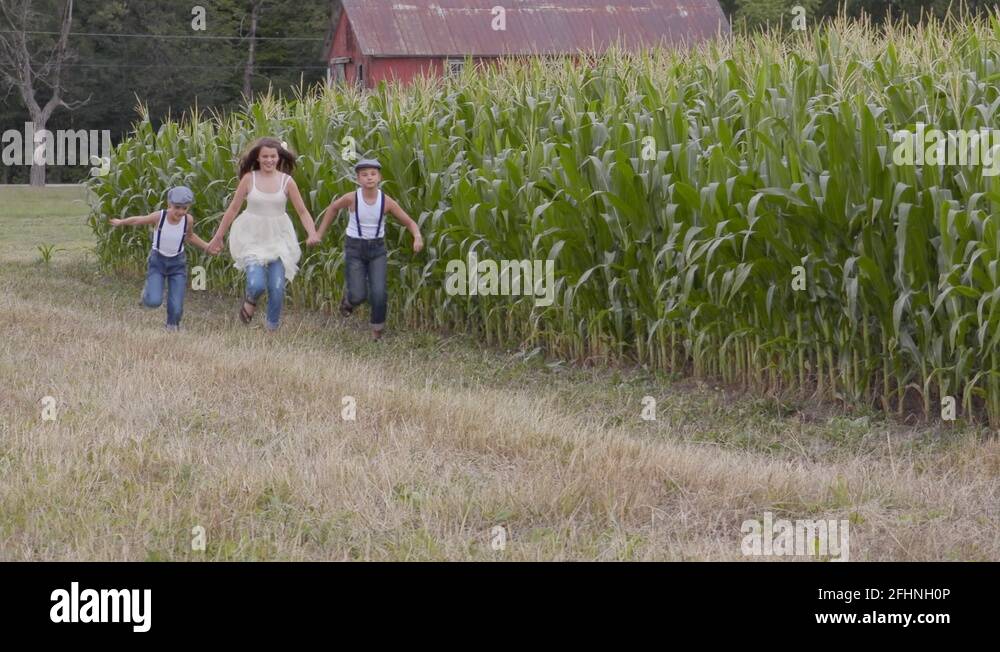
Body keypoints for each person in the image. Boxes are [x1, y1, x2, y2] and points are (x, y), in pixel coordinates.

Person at [207, 138, 321, 331]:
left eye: (273, 156)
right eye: (265, 156)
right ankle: (251, 299)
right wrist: (218, 236)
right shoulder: (249, 179)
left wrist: (312, 233)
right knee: (257, 284)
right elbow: (233, 209)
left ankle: (271, 329)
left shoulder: (287, 181)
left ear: (279, 157)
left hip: (279, 238)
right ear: (258, 158)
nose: (269, 160)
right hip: (252, 236)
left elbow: (302, 211)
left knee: (277, 287)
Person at [316, 158, 423, 340]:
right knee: (358, 295)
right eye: (364, 175)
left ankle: (377, 332)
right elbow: (333, 208)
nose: (369, 178)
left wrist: (417, 236)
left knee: (379, 292)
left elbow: (409, 222)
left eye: (373, 174)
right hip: (355, 248)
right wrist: (319, 233)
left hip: (377, 250)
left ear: (379, 177)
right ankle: (350, 300)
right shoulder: (352, 198)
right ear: (358, 179)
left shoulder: (387, 202)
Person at [109, 185, 213, 331]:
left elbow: (190, 237)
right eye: (177, 207)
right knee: (153, 301)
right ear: (169, 204)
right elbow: (138, 220)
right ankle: (147, 294)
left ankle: (172, 326)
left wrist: (207, 246)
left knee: (176, 305)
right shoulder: (161, 216)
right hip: (158, 262)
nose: (181, 212)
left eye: (185, 208)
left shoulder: (188, 220)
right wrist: (121, 222)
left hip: (178, 264)